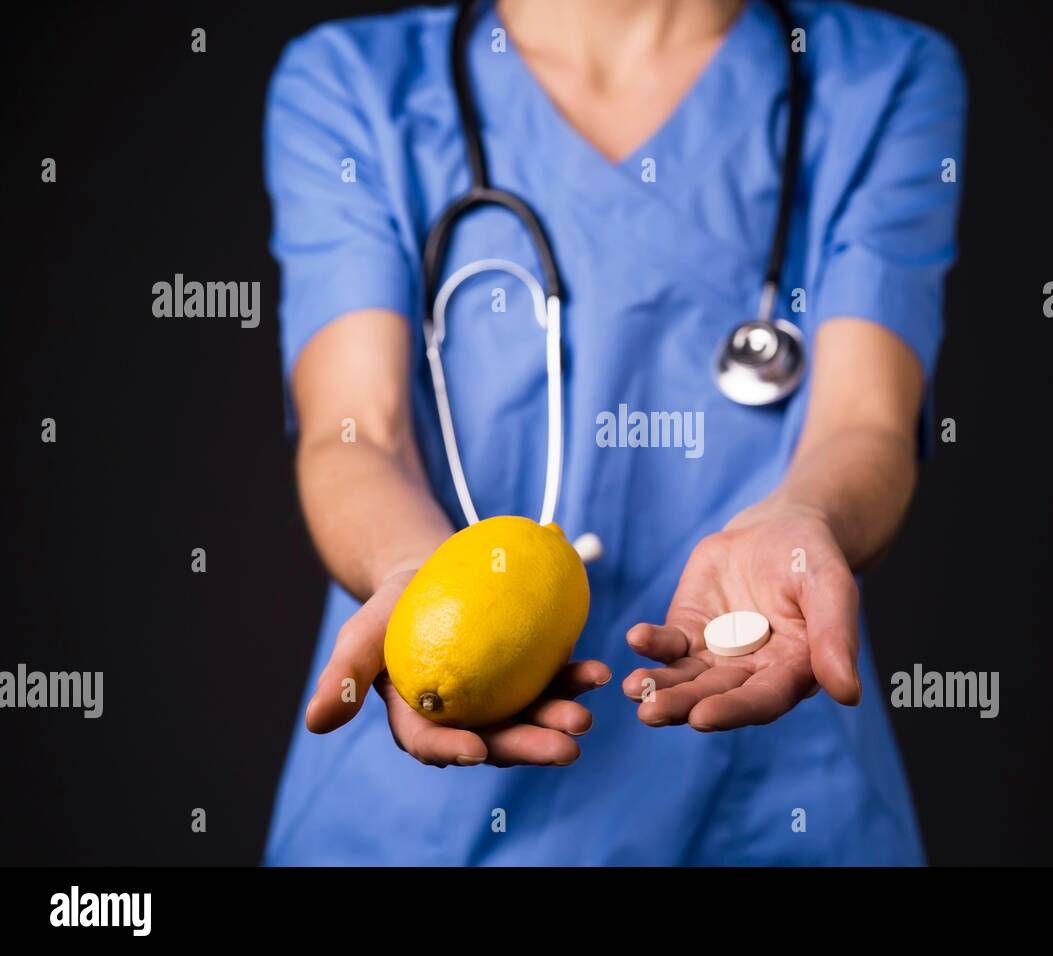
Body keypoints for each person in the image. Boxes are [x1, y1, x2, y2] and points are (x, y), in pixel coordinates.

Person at [263, 0, 965, 865]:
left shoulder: (880, 77)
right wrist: (418, 577)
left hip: (770, 809)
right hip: (416, 825)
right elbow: (354, 432)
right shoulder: (356, 82)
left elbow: (866, 423)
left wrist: (805, 523)